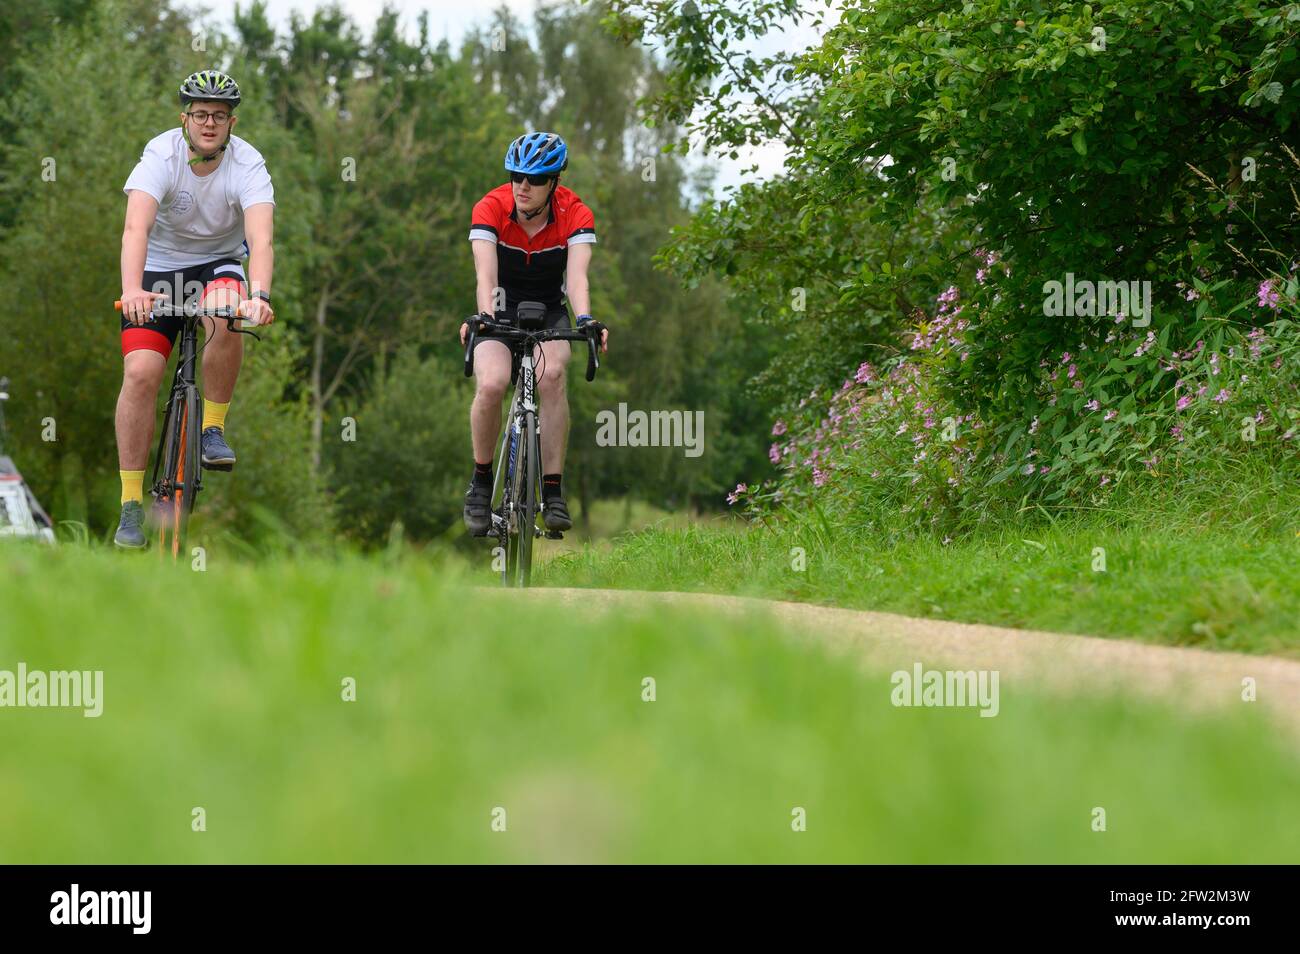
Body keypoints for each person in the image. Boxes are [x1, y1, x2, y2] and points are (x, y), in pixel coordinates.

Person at [113, 69, 276, 549]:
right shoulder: (159, 155)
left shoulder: (248, 163)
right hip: (156, 271)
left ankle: (212, 429)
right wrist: (132, 290)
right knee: (141, 373)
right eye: (201, 114)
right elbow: (134, 231)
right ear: (185, 117)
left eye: (219, 116)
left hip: (218, 265)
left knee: (226, 310)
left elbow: (261, 238)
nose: (210, 123)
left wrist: (259, 296)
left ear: (231, 122)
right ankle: (130, 506)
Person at [461, 132, 608, 536]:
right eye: (516, 175)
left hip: (550, 312)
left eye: (535, 179)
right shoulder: (491, 207)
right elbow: (484, 274)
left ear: (554, 182)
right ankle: (480, 482)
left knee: (553, 376)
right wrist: (485, 316)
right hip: (499, 306)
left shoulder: (575, 213)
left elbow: (577, 278)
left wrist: (586, 318)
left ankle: (553, 489)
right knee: (490, 383)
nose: (523, 186)